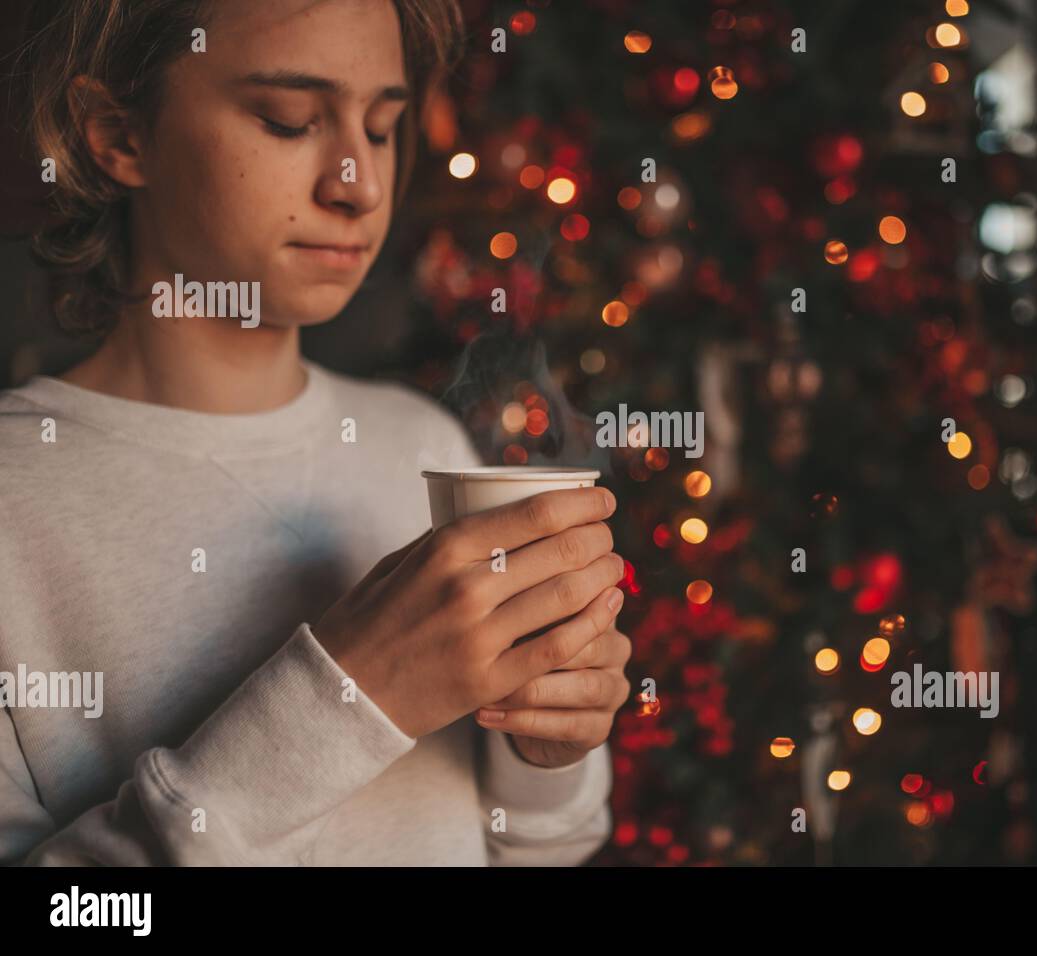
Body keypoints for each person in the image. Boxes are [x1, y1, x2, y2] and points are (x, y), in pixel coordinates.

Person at [0, 0, 629, 866]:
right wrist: (352, 695)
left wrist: (548, 754)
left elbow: (545, 846)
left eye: (380, 127)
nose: (358, 184)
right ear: (118, 135)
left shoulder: (423, 444)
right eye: (288, 120)